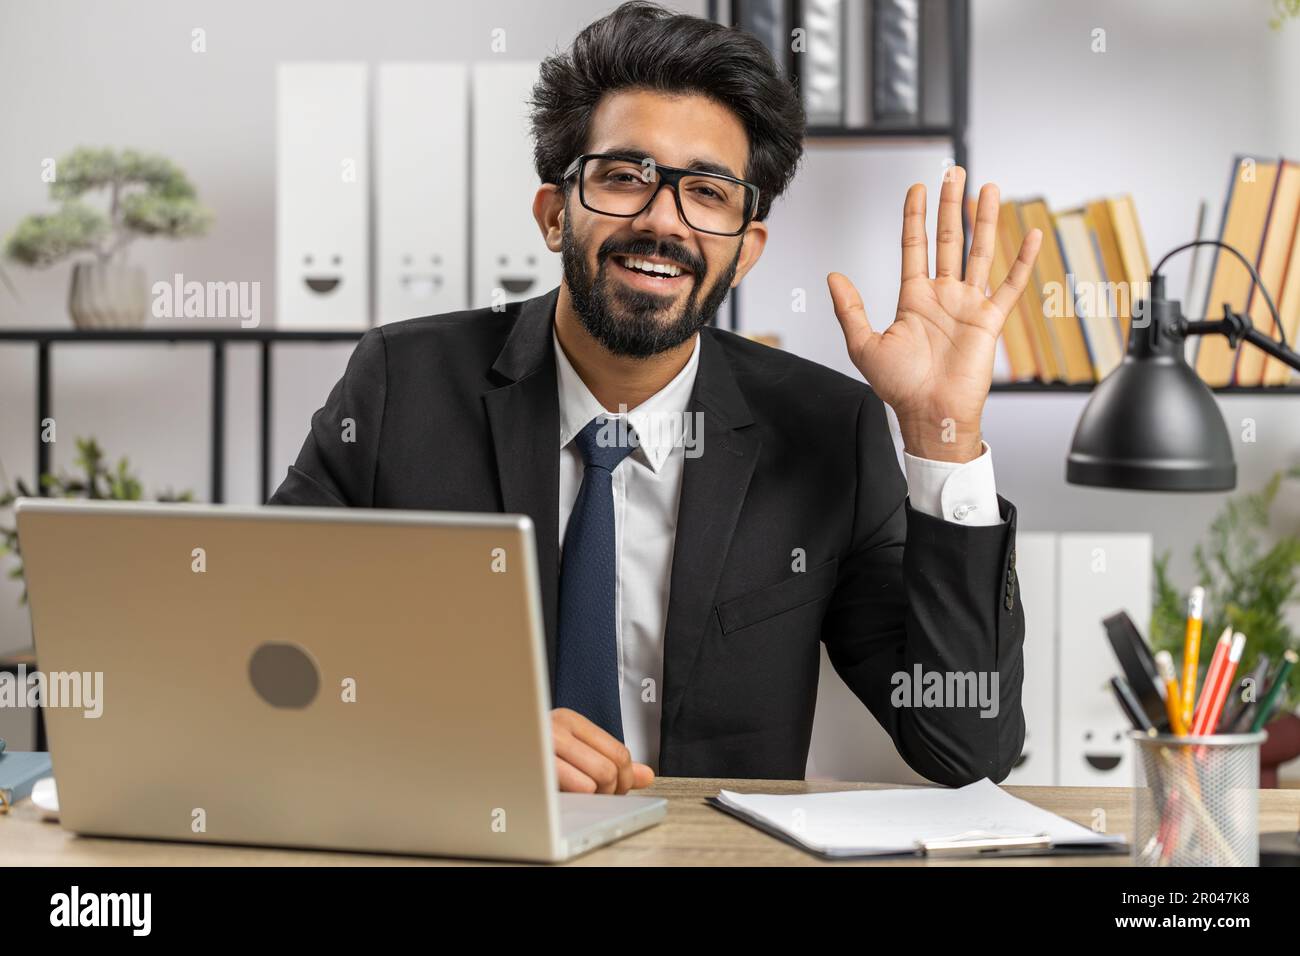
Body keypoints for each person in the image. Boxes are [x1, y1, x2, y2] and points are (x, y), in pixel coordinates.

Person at [270, 1, 1042, 794]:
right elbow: (267, 647)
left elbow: (964, 746)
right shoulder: (403, 383)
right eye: (623, 177)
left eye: (707, 192)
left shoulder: (825, 430)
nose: (662, 220)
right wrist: (469, 733)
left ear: (745, 252)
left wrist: (939, 433)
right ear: (552, 215)